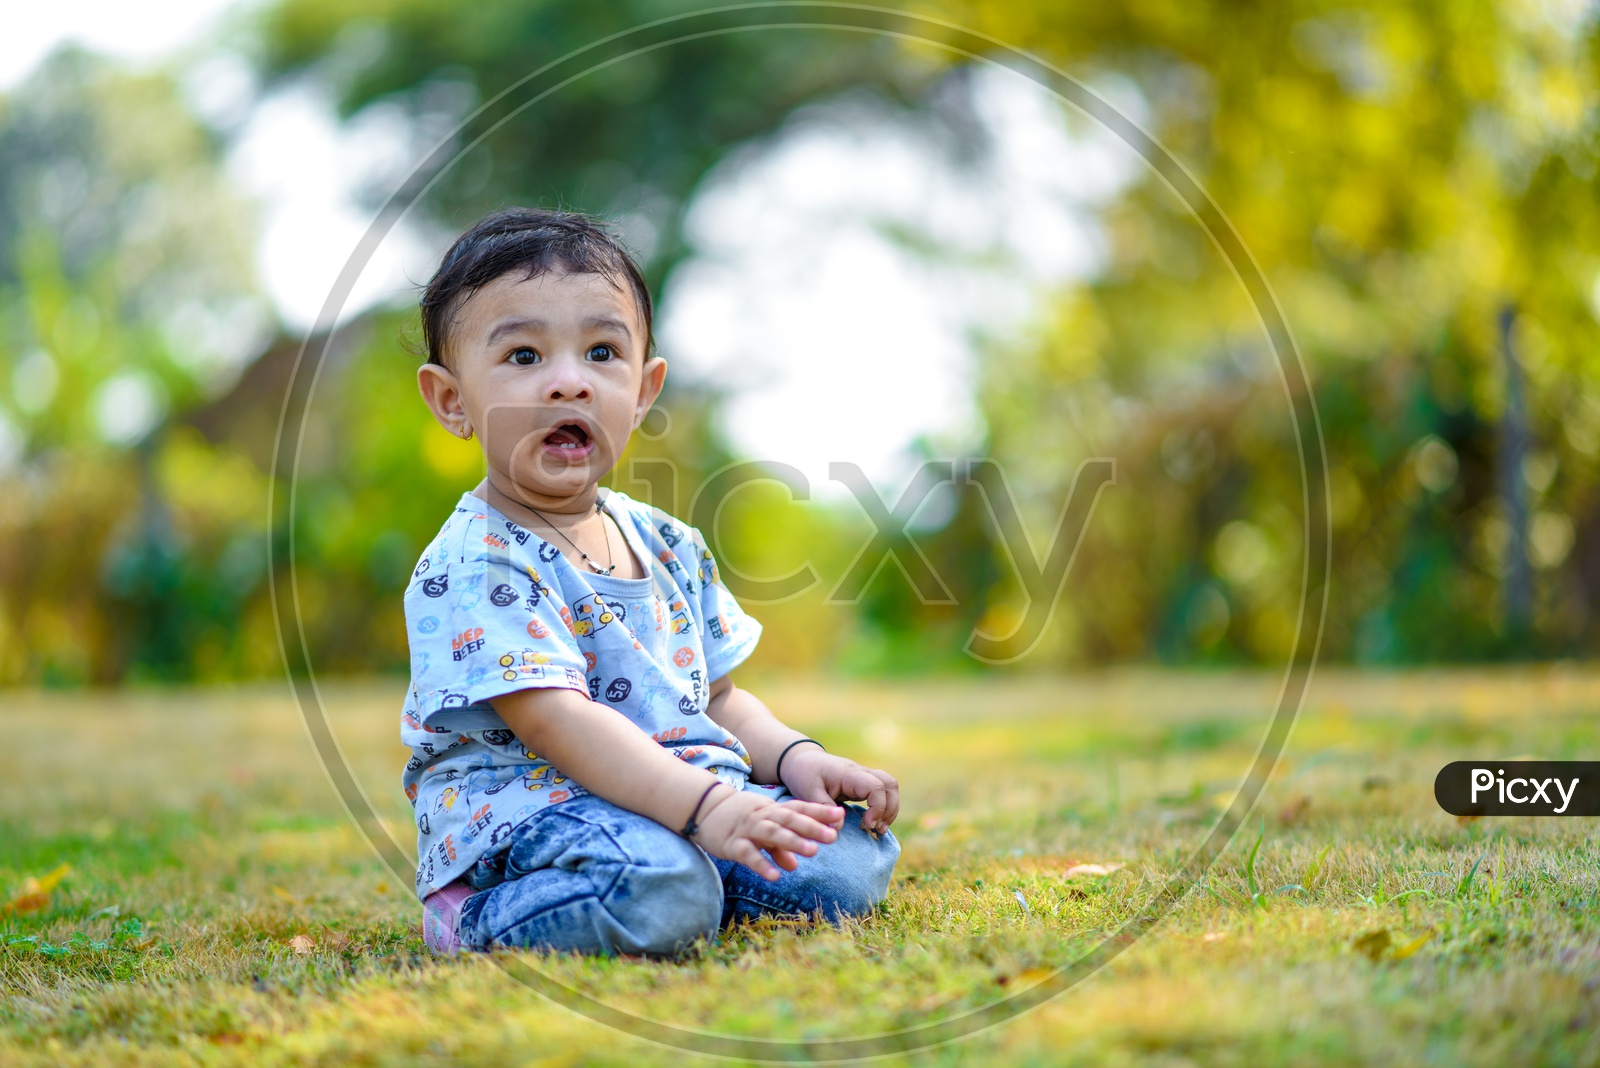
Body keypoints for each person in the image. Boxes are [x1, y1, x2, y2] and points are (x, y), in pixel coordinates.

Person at [402, 207, 901, 957]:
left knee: (847, 858)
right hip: (545, 815)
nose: (569, 383)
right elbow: (556, 721)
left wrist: (799, 761)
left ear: (642, 389)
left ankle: (695, 882)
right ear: (452, 401)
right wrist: (709, 809)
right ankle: (475, 918)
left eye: (602, 351)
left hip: (685, 807)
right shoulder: (479, 561)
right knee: (658, 881)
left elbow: (721, 699)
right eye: (525, 357)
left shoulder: (669, 543)